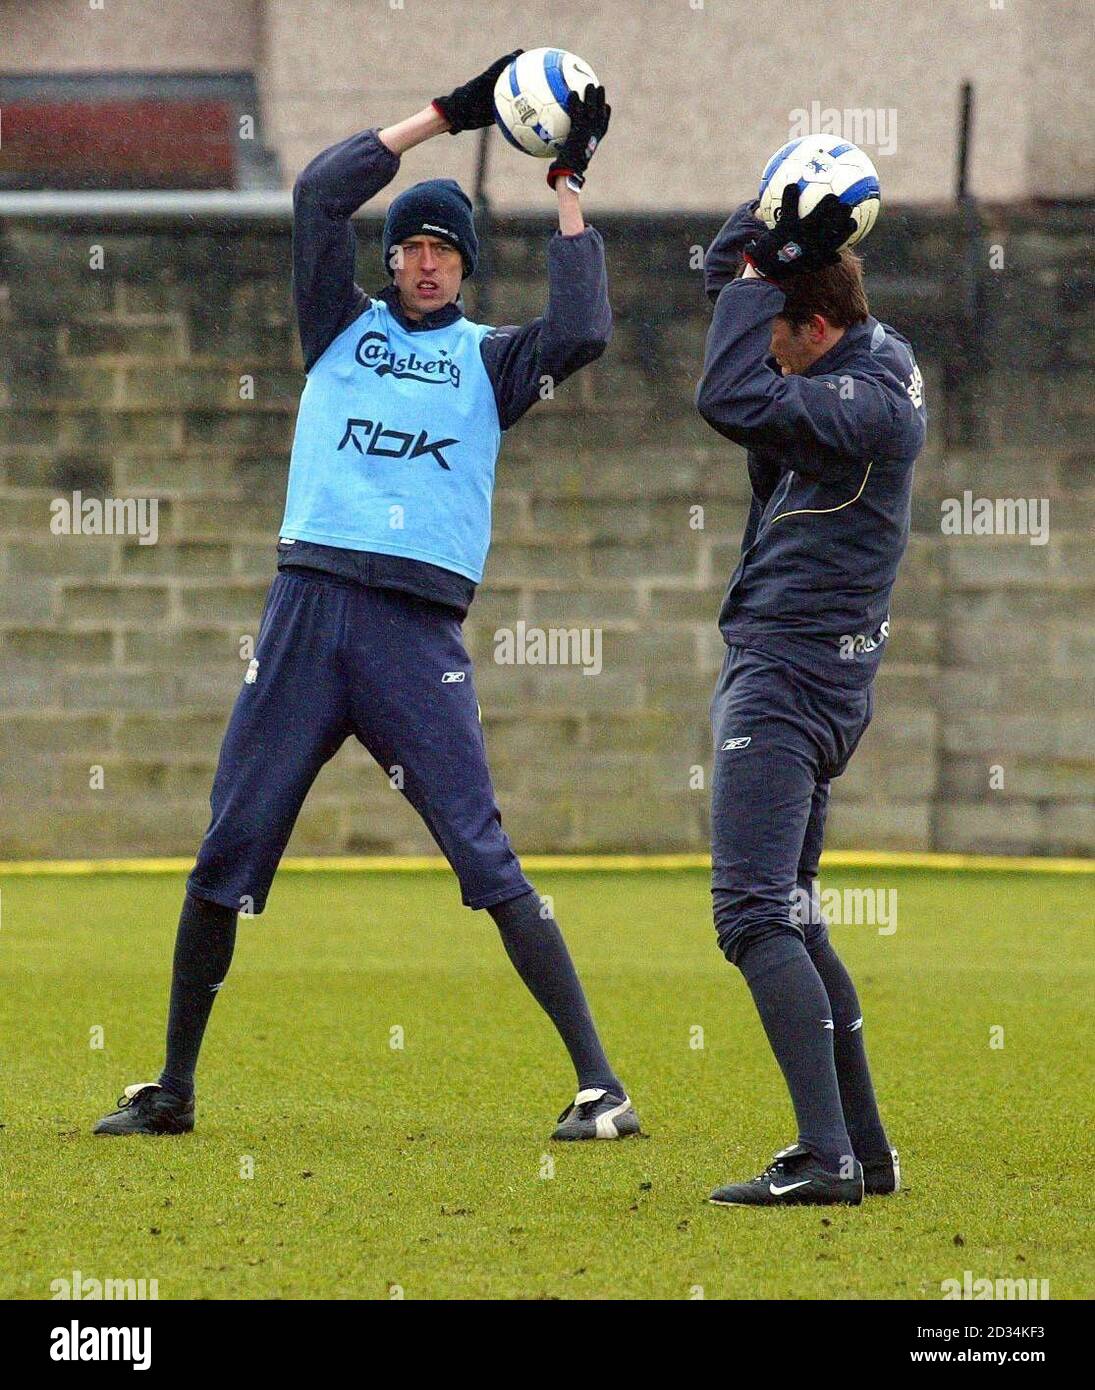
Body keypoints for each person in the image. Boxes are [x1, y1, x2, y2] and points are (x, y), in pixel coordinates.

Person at [94, 53, 640, 1145]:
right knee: (225, 850)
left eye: (443, 251)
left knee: (484, 858)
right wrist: (445, 115)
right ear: (390, 261)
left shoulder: (493, 362)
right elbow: (315, 194)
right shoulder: (338, 327)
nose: (424, 263)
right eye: (410, 248)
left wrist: (568, 186)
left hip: (411, 631)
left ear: (466, 268)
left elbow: (582, 331)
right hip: (306, 615)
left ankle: (602, 1088)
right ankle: (174, 1085)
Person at [694, 187, 927, 1205]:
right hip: (816, 674)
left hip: (791, 676)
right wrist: (772, 212)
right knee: (795, 910)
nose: (765, 351)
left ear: (817, 328)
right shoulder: (868, 353)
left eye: (779, 336)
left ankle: (824, 1157)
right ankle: (863, 1153)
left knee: (752, 914)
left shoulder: (862, 399)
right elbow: (728, 298)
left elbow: (725, 393)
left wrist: (763, 267)